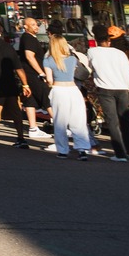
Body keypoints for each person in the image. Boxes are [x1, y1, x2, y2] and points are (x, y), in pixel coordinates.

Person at [85, 31, 129, 161]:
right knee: (126, 121)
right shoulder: (119, 53)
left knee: (113, 122)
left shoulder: (92, 52)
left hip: (105, 89)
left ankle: (119, 154)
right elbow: (128, 73)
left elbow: (89, 68)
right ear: (109, 41)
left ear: (96, 40)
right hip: (122, 88)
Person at [43, 29, 92, 159]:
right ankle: (82, 149)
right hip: (73, 90)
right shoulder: (72, 59)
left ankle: (63, 150)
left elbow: (49, 80)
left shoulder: (48, 60)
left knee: (60, 122)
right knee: (78, 121)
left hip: (58, 90)